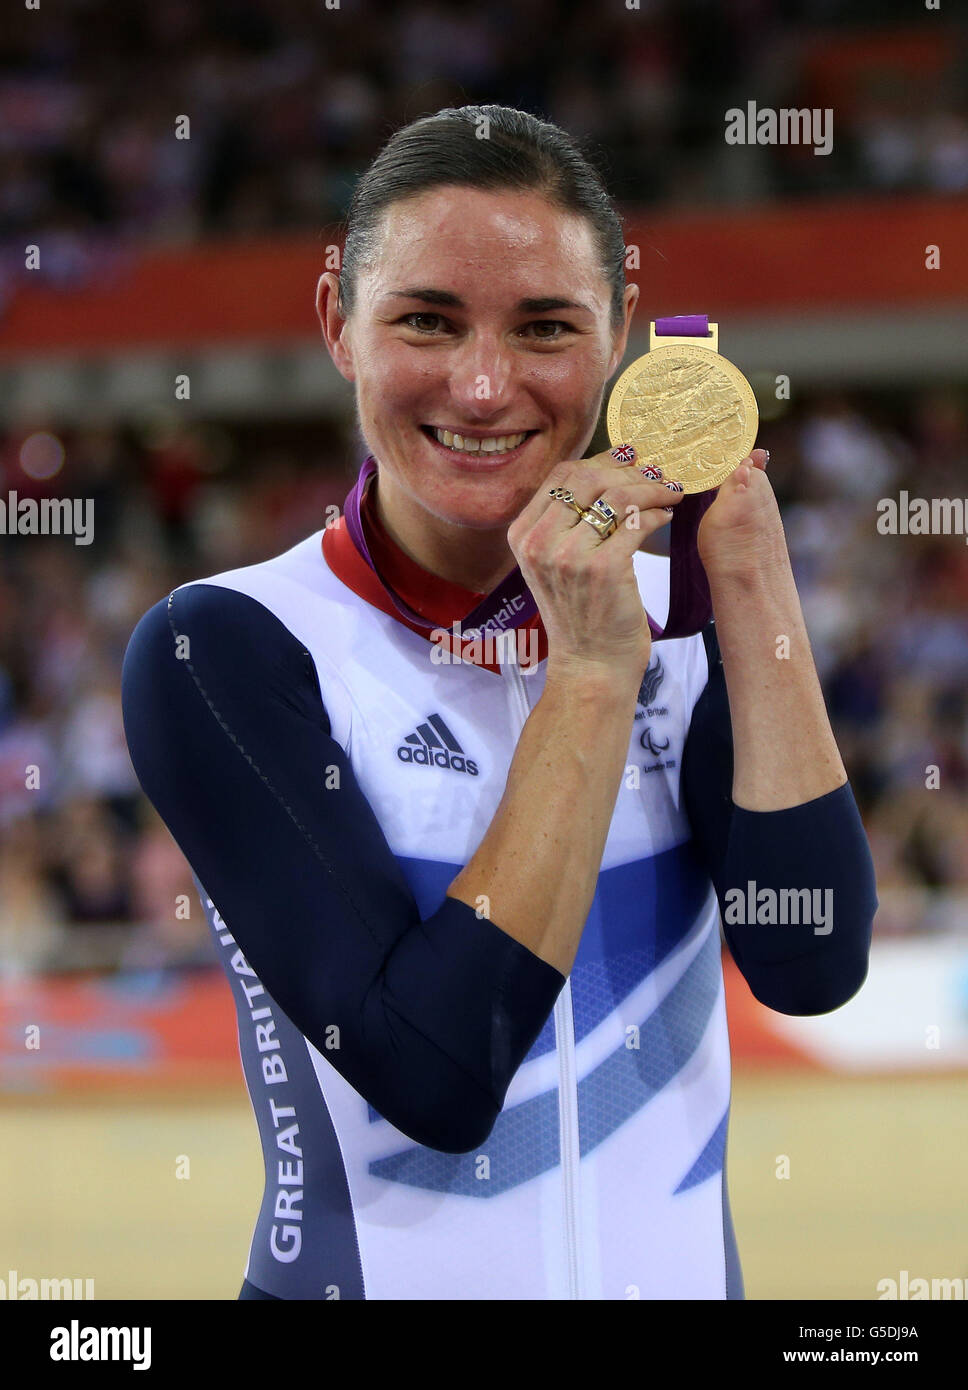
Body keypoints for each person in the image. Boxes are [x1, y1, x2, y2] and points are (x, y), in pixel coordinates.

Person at [121, 105, 877, 1301]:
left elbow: (810, 958)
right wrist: (586, 672)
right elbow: (431, 1077)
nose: (482, 387)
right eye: (425, 319)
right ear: (337, 321)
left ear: (621, 328)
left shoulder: (686, 610)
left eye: (543, 328)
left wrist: (746, 580)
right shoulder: (224, 647)